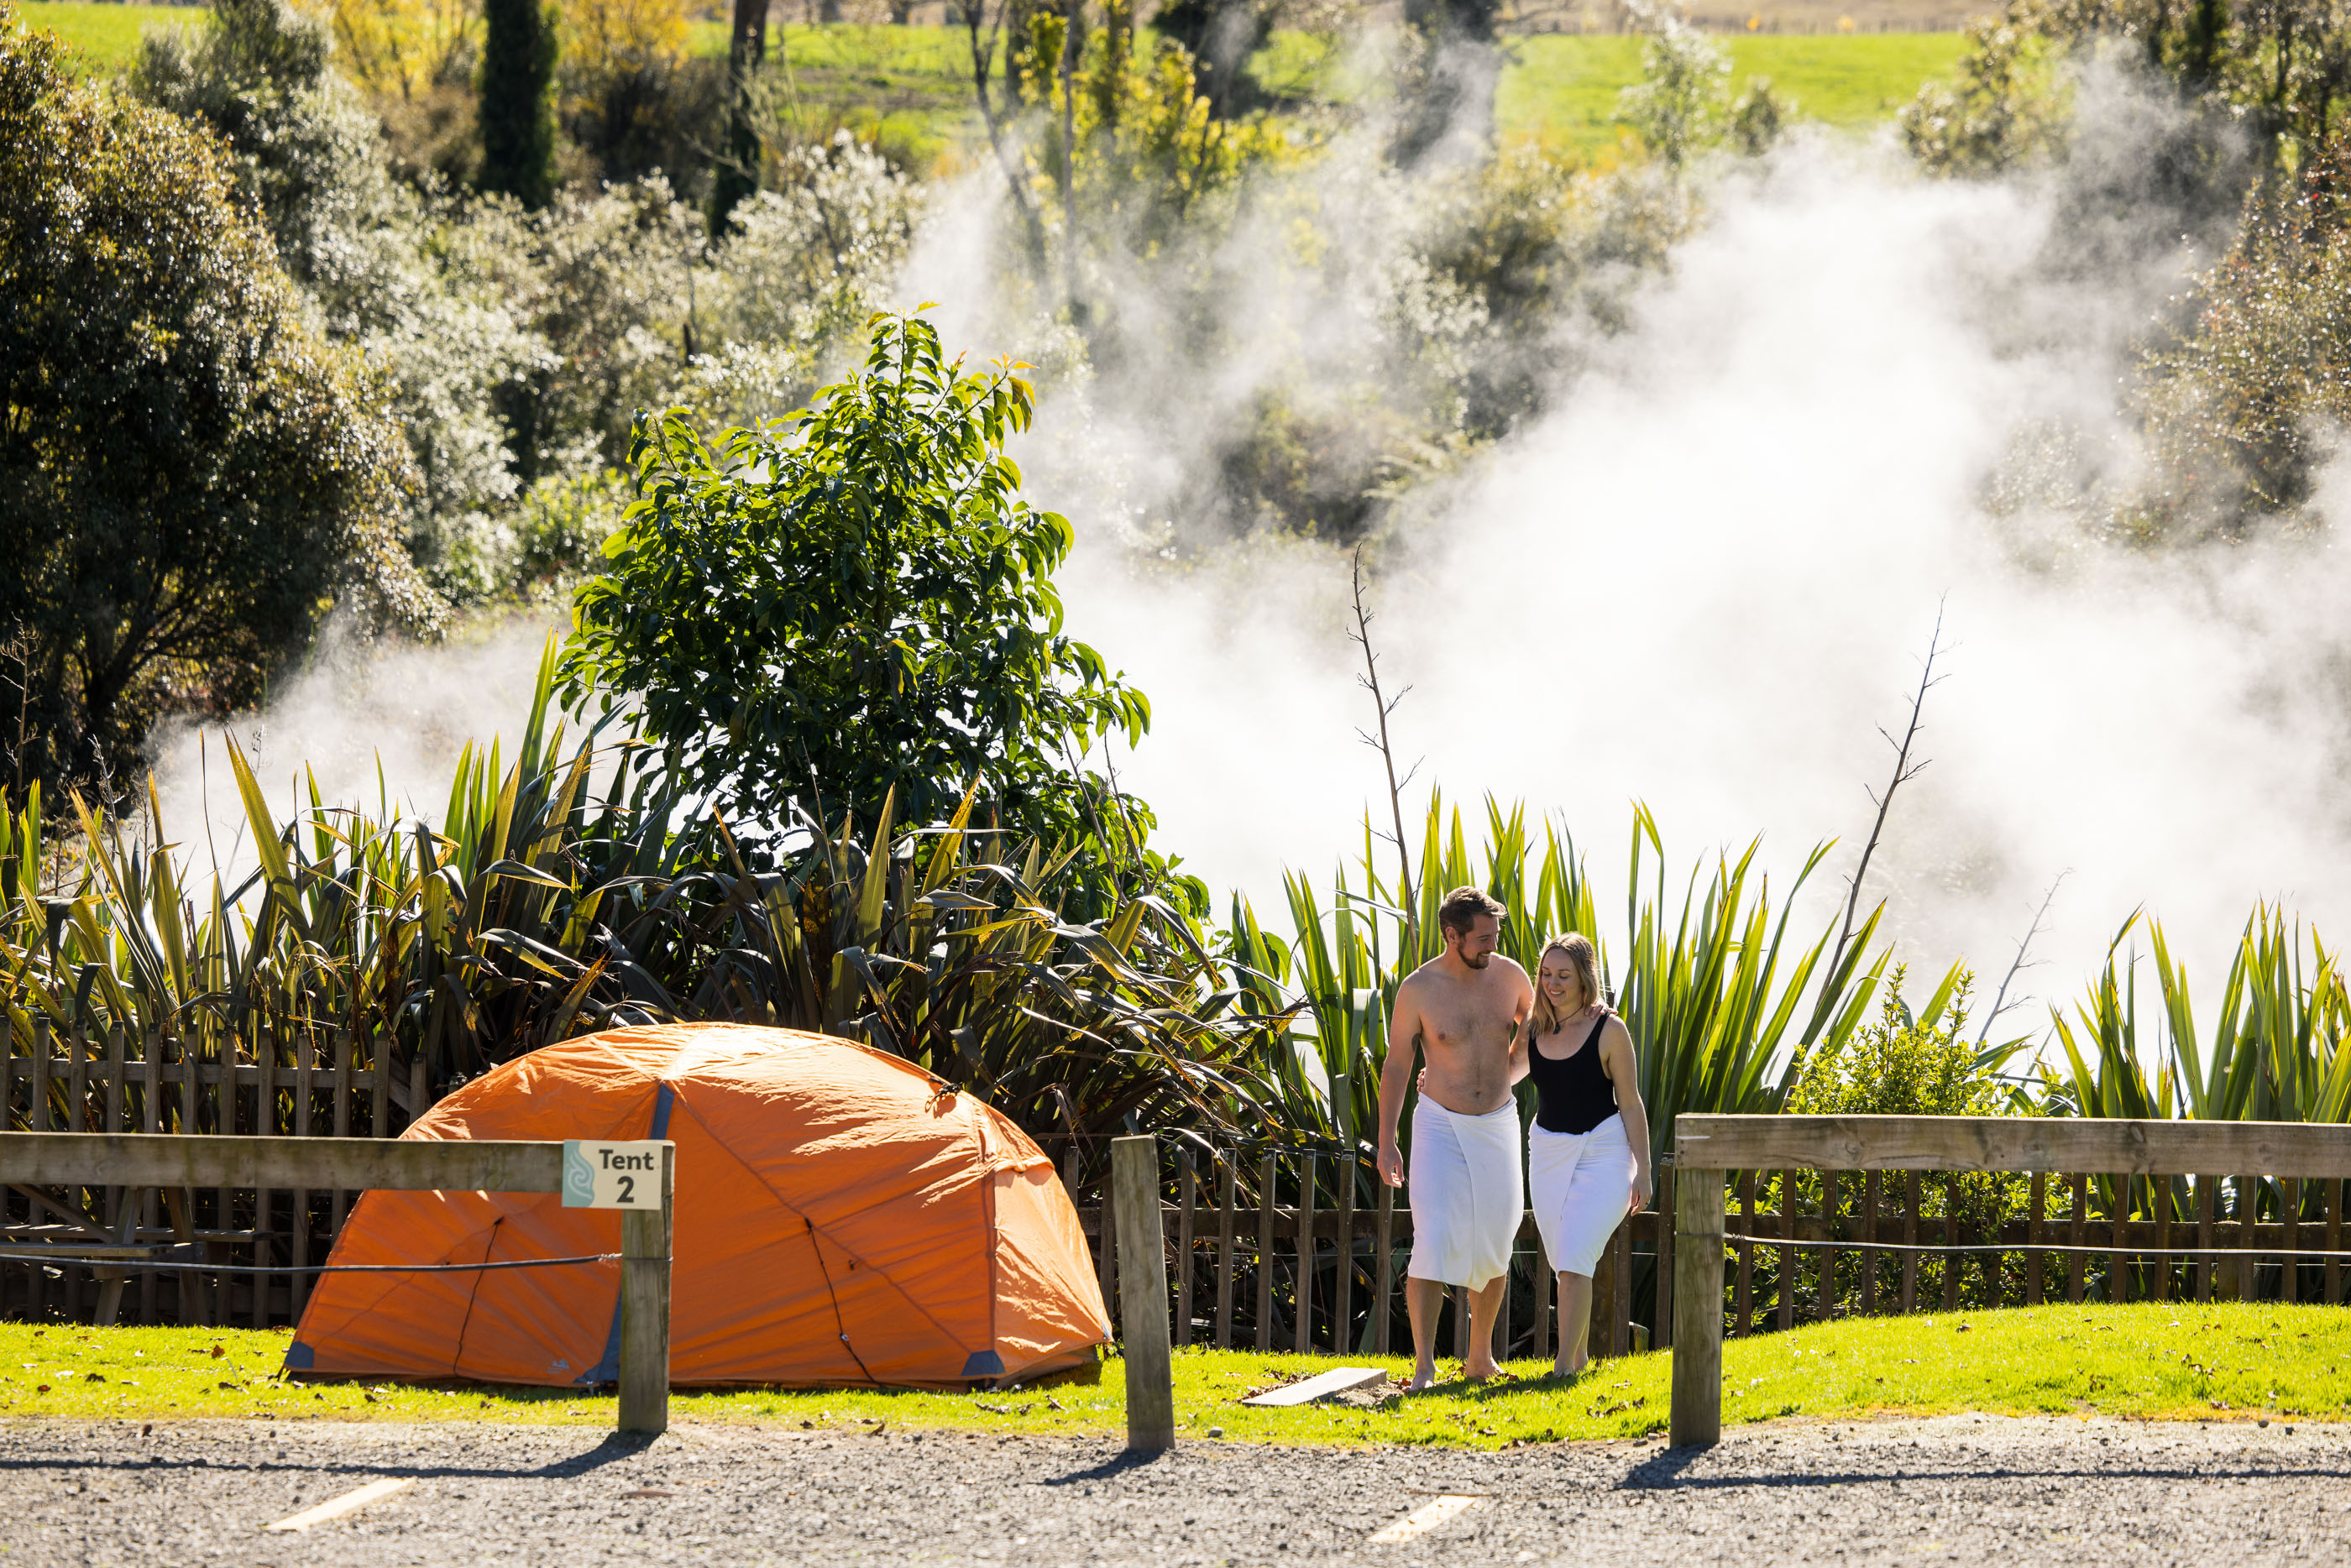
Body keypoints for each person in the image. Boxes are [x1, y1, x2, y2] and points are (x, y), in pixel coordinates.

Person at [1377, 886, 1533, 1390]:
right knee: (1434, 1238)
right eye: (1483, 938)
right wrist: (1386, 1141)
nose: (1493, 946)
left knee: (1498, 1237)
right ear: (1452, 935)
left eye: (1495, 936)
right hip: (1439, 1125)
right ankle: (1424, 1365)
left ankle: (1479, 1358)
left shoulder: (1511, 977)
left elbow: (1548, 1024)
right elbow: (1397, 1064)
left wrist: (1513, 1071)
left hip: (1499, 1122)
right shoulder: (1418, 988)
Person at [1522, 933, 1652, 1377]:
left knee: (1576, 1257)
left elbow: (1631, 1103)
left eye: (1564, 975)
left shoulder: (1610, 1029)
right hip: (1548, 1153)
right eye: (1546, 974)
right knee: (1565, 1264)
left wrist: (1644, 1171)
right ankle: (1577, 1361)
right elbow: (1503, 1071)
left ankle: (1562, 1369)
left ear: (1584, 978)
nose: (1553, 983)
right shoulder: (1534, 1026)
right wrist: (1437, 1078)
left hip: (1604, 1154)